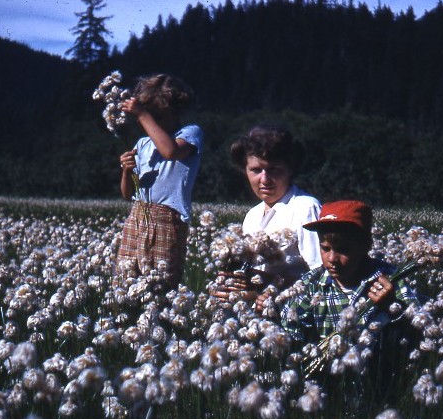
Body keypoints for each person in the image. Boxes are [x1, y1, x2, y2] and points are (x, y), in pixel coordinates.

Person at [280, 200, 421, 345]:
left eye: (343, 250)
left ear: (366, 246)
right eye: (325, 249)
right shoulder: (312, 283)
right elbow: (289, 328)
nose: (332, 259)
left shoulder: (390, 280)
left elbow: (419, 331)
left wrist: (391, 306)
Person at [211, 125, 321, 306]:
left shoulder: (306, 207)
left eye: (274, 169)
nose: (264, 179)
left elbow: (322, 275)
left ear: (290, 169)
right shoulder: (252, 216)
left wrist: (266, 286)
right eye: (256, 170)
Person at [114, 73, 203, 290]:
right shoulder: (143, 143)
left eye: (157, 117)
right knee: (125, 283)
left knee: (160, 285)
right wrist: (126, 172)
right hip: (137, 217)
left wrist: (143, 115)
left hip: (167, 220)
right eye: (149, 117)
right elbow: (128, 195)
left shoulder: (190, 133)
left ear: (176, 111)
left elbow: (170, 151)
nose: (151, 123)